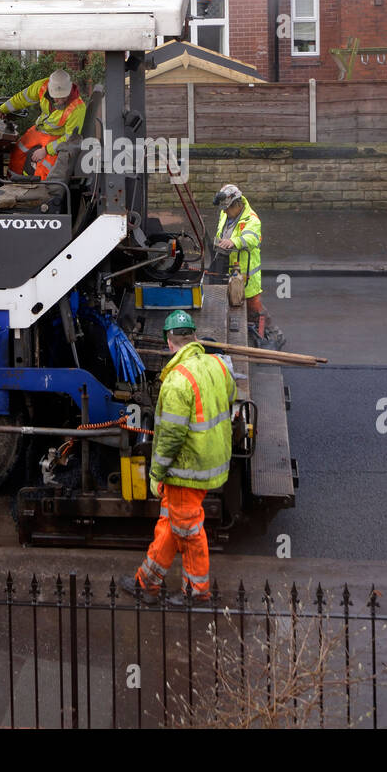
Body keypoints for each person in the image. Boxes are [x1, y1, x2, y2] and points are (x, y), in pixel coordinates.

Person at [121, 310, 235, 606]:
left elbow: (170, 438)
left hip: (186, 469)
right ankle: (146, 582)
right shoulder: (218, 366)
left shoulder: (176, 382)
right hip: (210, 461)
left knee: (188, 531)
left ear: (169, 342)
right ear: (194, 337)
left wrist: (156, 473)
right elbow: (227, 400)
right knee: (171, 523)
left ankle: (197, 592)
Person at [212, 182, 280, 347]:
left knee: (253, 304)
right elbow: (222, 231)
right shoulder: (225, 214)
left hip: (246, 271)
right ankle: (250, 330)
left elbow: (251, 238)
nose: (225, 212)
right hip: (228, 268)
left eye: (228, 209)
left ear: (238, 204)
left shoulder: (252, 219)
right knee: (233, 301)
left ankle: (275, 335)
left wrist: (233, 242)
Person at [0, 69, 87, 180]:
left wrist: (46, 150)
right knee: (18, 151)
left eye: (63, 98)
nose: (60, 101)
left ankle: (39, 192)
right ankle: (11, 182)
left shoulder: (77, 108)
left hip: (57, 138)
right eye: (57, 98)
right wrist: (1, 110)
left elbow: (70, 138)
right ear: (50, 90)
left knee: (45, 165)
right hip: (39, 130)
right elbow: (22, 98)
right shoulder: (42, 86)